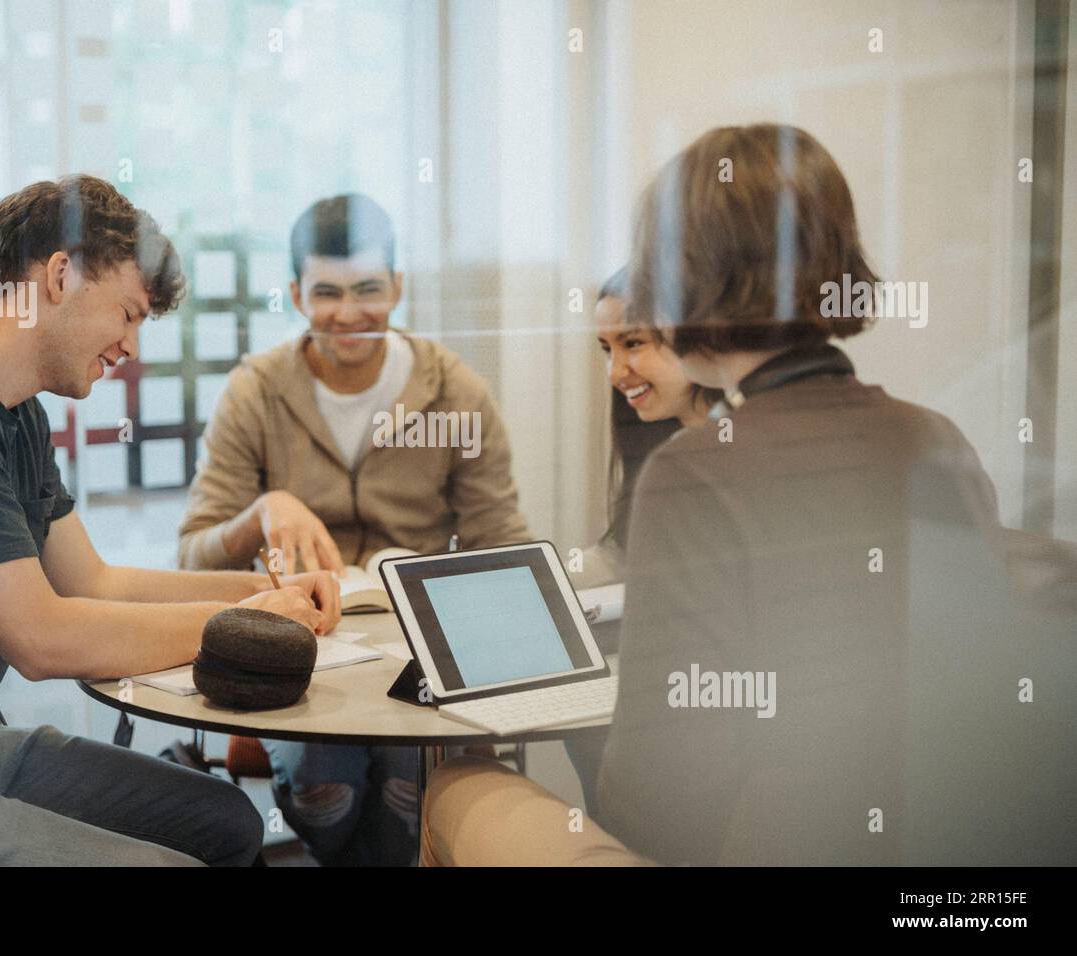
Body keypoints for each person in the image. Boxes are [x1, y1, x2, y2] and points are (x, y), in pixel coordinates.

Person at [424, 123, 1075, 865]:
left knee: (459, 784)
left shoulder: (696, 472)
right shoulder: (937, 439)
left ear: (684, 282)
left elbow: (659, 793)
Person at [0, 175, 340, 866]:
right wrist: (250, 625)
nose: (132, 348)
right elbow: (40, 638)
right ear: (60, 274)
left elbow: (92, 583)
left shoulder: (16, 412)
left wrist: (258, 593)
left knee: (226, 821)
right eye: (129, 315)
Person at [177, 193, 530, 866]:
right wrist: (263, 511)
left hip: (413, 653)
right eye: (327, 293)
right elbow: (190, 554)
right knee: (327, 788)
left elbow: (502, 545)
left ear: (398, 286)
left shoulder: (454, 391)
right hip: (299, 649)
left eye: (369, 289)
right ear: (295, 294)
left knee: (411, 781)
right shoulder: (254, 393)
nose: (348, 315)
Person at [565, 266, 719, 816]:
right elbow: (624, 553)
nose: (615, 371)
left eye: (633, 343)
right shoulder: (670, 442)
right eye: (606, 348)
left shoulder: (729, 451)